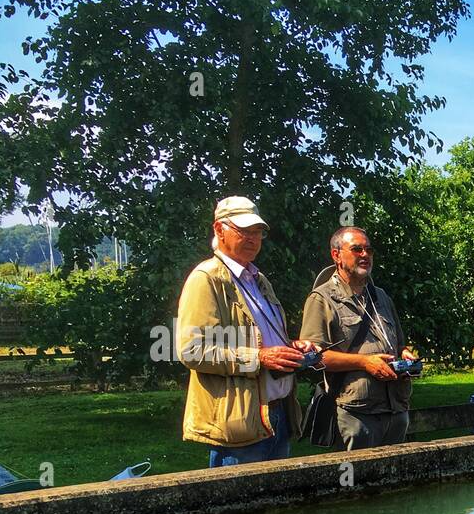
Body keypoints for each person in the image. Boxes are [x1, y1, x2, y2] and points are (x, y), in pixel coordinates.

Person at [177, 197, 312, 466]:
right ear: (219, 229)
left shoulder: (259, 280)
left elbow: (265, 337)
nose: (253, 239)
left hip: (278, 414)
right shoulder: (206, 278)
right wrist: (259, 358)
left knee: (276, 504)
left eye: (257, 232)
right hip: (239, 423)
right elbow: (191, 350)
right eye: (244, 231)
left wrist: (291, 347)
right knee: (240, 505)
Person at [299, 227, 419, 450]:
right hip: (355, 415)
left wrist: (405, 355)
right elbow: (313, 357)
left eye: (369, 250)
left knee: (394, 482)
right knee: (356, 481)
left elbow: (399, 344)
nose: (365, 255)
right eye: (356, 249)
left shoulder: (381, 297)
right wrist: (364, 362)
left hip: (395, 409)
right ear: (336, 255)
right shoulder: (322, 299)